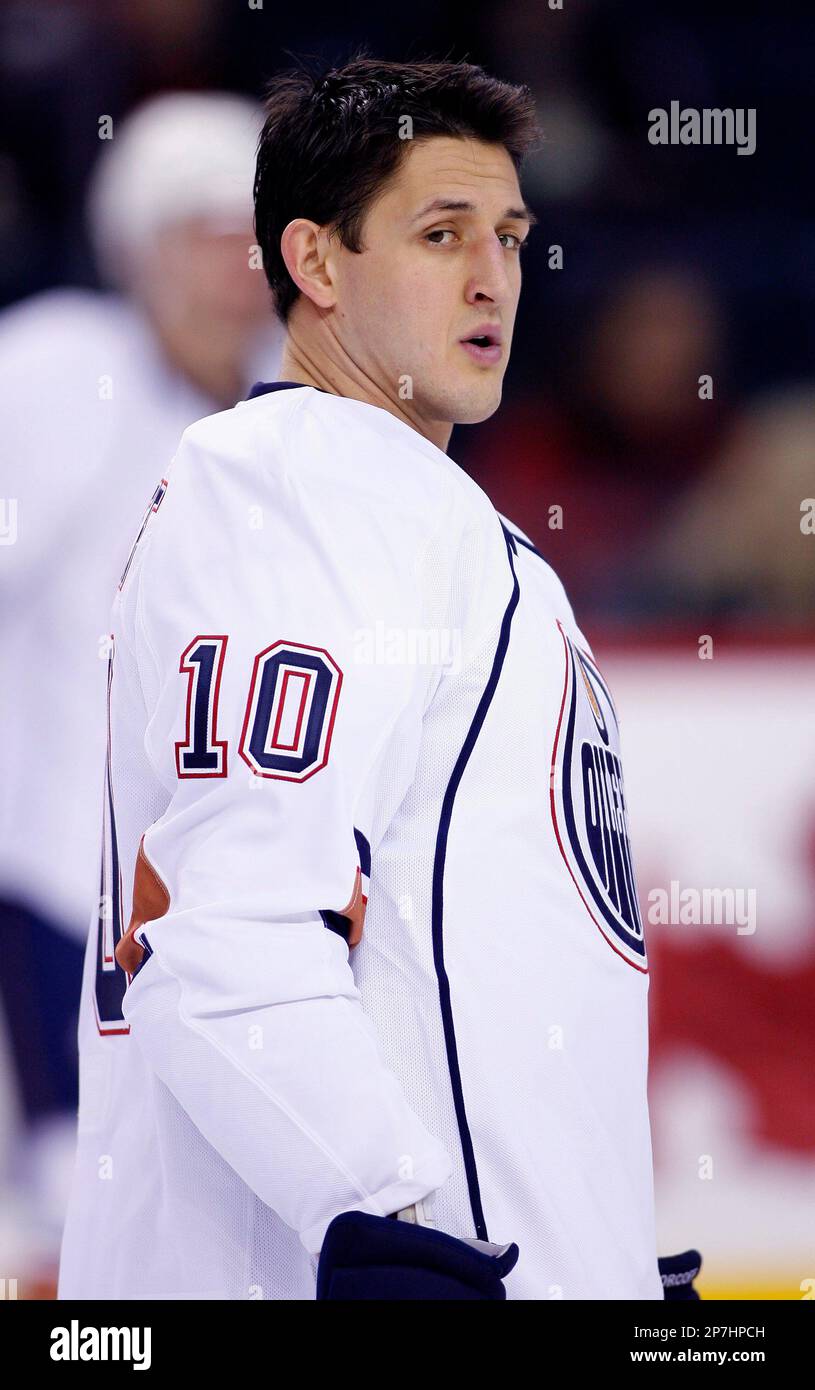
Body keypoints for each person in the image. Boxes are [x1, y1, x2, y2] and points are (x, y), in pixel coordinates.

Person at [57, 56, 684, 1300]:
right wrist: (378, 1224)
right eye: (439, 232)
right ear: (316, 263)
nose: (490, 273)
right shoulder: (301, 480)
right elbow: (230, 930)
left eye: (507, 234)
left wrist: (599, 1257)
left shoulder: (417, 512)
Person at [0, 90, 281, 1285]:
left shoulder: (299, 404)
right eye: (202, 229)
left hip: (223, 889)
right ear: (136, 249)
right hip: (56, 877)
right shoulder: (62, 370)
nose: (235, 260)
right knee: (75, 1206)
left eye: (251, 231)